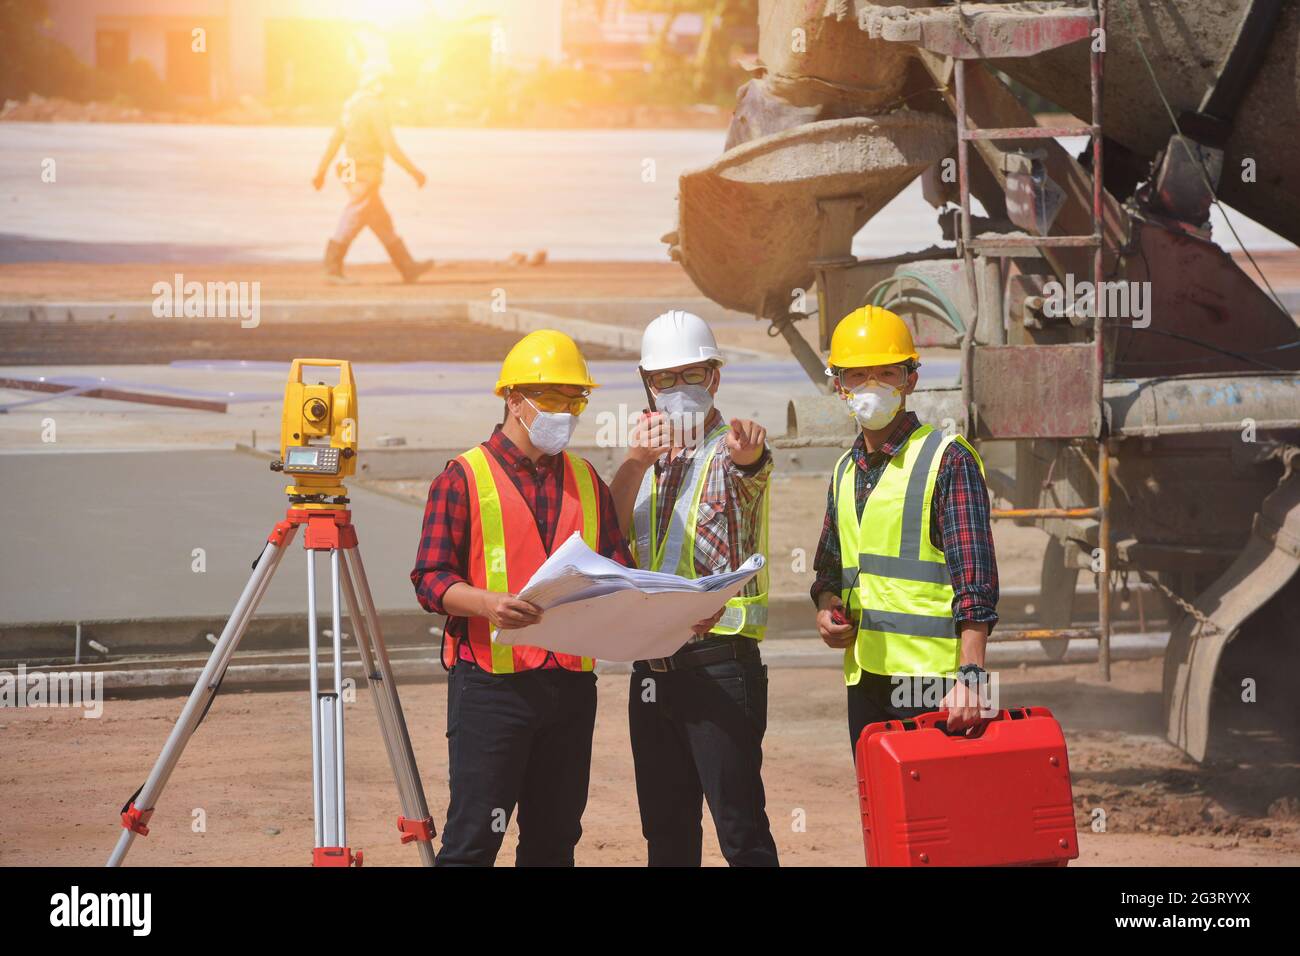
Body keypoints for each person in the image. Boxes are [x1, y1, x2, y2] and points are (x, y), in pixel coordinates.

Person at [410, 330, 632, 866]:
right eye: (554, 398)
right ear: (515, 399)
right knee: (471, 842)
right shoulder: (463, 477)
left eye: (576, 399)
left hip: (571, 687)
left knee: (554, 843)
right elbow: (429, 579)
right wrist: (488, 603)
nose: (569, 411)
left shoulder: (586, 479)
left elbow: (616, 563)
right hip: (492, 688)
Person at [610, 309, 779, 867]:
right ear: (647, 385)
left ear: (715, 378)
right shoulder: (644, 462)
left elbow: (751, 470)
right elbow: (607, 534)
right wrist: (635, 461)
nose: (679, 388)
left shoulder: (730, 450)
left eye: (692, 375)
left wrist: (750, 453)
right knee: (667, 835)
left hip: (720, 666)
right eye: (666, 378)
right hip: (653, 673)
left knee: (741, 831)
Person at [811, 306, 999, 756]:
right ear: (839, 385)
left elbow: (975, 581)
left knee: (942, 818)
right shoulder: (843, 470)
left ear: (910, 380)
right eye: (857, 375)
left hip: (938, 688)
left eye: (887, 373)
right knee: (884, 817)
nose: (871, 387)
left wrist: (972, 678)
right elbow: (829, 569)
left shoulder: (948, 458)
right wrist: (826, 608)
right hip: (867, 681)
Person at [312, 60, 431, 283]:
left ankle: (407, 266)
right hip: (364, 169)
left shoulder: (351, 104)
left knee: (378, 218)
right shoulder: (375, 107)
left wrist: (321, 171)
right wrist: (413, 171)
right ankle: (331, 266)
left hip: (347, 166)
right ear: (379, 83)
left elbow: (336, 139)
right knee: (356, 211)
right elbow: (388, 144)